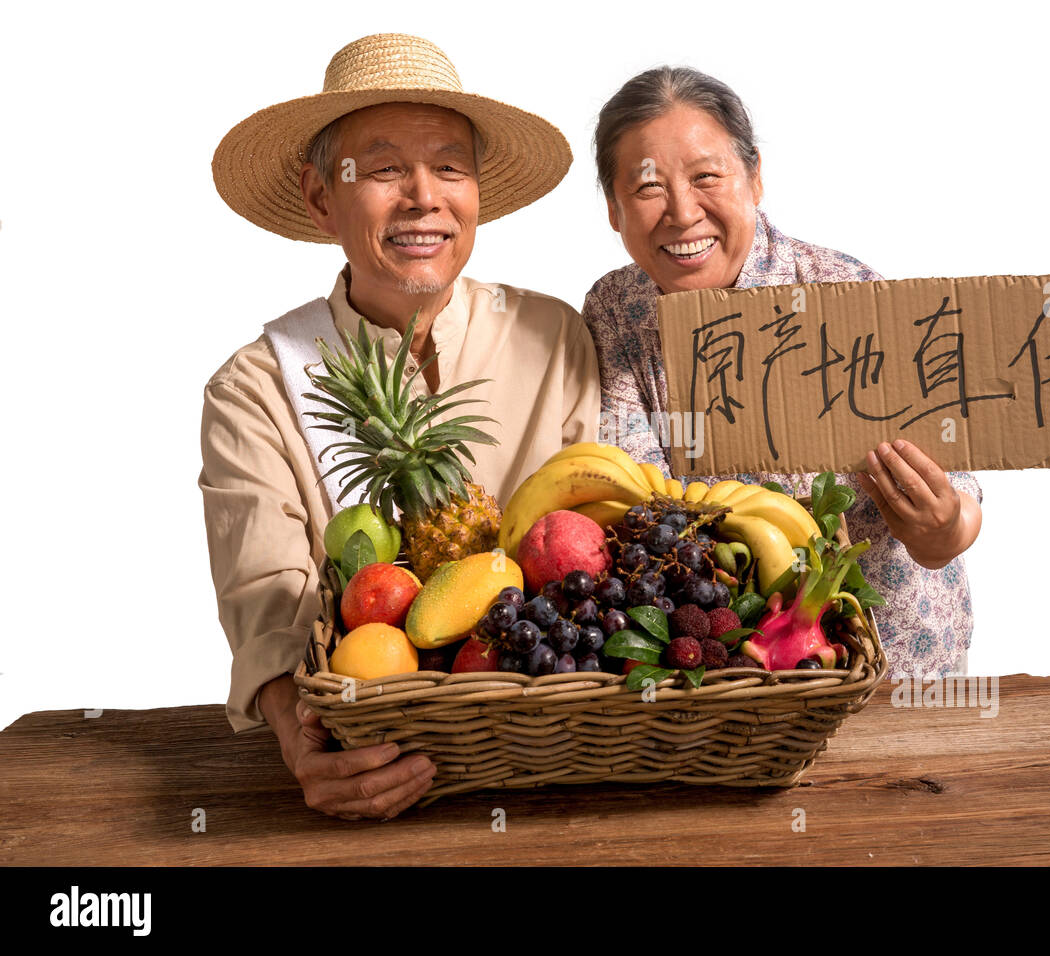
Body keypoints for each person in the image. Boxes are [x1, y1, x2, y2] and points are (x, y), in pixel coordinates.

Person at [200, 34, 600, 819]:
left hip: (565, 761)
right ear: (322, 199)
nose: (425, 196)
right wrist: (297, 738)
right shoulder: (258, 387)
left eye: (451, 167)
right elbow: (268, 602)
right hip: (372, 746)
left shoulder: (555, 338)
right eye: (383, 169)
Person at [583, 67, 982, 680]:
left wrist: (942, 525)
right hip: (714, 677)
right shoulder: (618, 310)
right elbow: (636, 498)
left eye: (706, 177)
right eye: (647, 187)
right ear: (613, 209)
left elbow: (957, 504)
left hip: (888, 671)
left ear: (755, 177)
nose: (683, 211)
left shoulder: (844, 291)